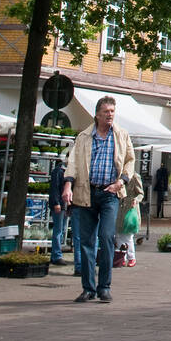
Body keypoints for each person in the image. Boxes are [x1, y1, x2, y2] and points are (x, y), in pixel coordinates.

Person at [62, 96, 135, 303]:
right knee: (86, 242)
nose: (110, 114)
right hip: (86, 192)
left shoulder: (121, 135)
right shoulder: (85, 136)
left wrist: (121, 182)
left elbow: (130, 160)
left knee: (106, 237)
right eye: (106, 112)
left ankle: (104, 286)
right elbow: (73, 163)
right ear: (97, 114)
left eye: (112, 111)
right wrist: (68, 185)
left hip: (110, 193)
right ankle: (88, 288)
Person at [115, 169, 144, 267]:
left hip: (130, 208)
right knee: (118, 233)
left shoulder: (135, 176)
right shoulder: (118, 175)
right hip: (119, 207)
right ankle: (121, 257)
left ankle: (131, 257)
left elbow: (141, 193)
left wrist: (136, 200)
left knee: (128, 235)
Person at [48, 157, 69, 265]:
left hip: (64, 204)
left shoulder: (66, 171)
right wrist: (56, 203)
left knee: (62, 229)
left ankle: (55, 254)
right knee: (59, 229)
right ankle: (56, 255)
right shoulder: (59, 171)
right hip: (60, 204)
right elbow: (55, 187)